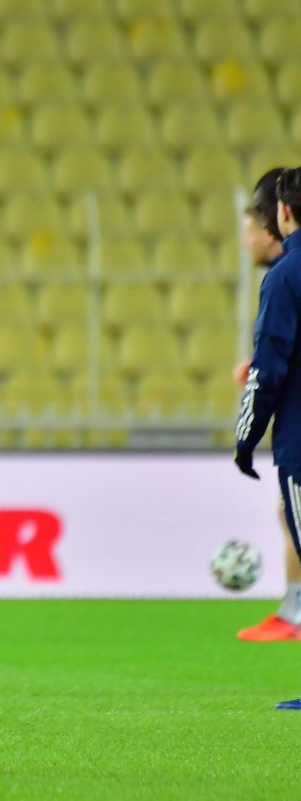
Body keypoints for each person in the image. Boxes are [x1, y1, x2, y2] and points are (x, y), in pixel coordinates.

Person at [234, 167, 301, 709]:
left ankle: (292, 607)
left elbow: (270, 370)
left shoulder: (284, 278)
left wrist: (246, 437)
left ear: (283, 212)